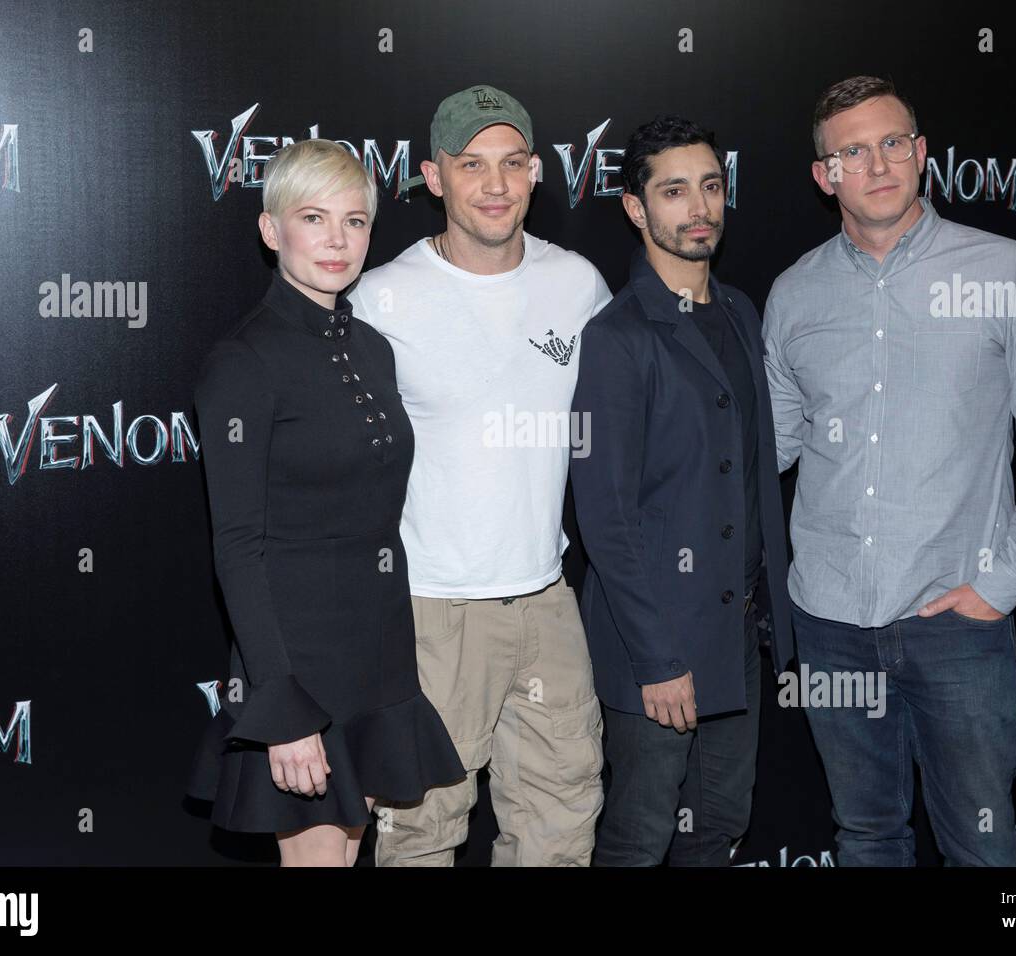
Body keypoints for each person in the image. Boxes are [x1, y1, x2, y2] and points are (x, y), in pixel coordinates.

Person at [761, 75, 1016, 865]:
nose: (877, 164)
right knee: (866, 836)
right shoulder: (795, 294)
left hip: (958, 626)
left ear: (923, 152)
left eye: (893, 143)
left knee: (983, 846)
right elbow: (768, 448)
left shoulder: (1007, 271)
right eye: (852, 151)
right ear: (823, 175)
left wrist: (1002, 586)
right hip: (831, 623)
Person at [348, 84, 613, 866]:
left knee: (562, 820)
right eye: (472, 165)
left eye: (511, 164)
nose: (495, 184)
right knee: (420, 830)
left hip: (547, 600)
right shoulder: (381, 299)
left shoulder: (579, 284)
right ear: (435, 178)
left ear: (535, 172)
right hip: (433, 613)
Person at [185, 138, 465, 866]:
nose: (337, 240)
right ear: (272, 230)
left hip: (376, 652)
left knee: (347, 856)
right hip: (298, 662)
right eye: (314, 218)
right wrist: (281, 710)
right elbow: (238, 550)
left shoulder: (373, 348)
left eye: (355, 220)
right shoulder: (241, 363)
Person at [569, 115, 793, 866]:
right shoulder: (618, 336)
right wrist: (659, 660)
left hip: (737, 637)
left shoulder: (739, 311)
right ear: (637, 209)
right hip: (657, 649)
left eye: (710, 186)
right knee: (639, 835)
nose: (699, 207)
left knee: (720, 825)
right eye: (674, 191)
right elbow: (603, 514)